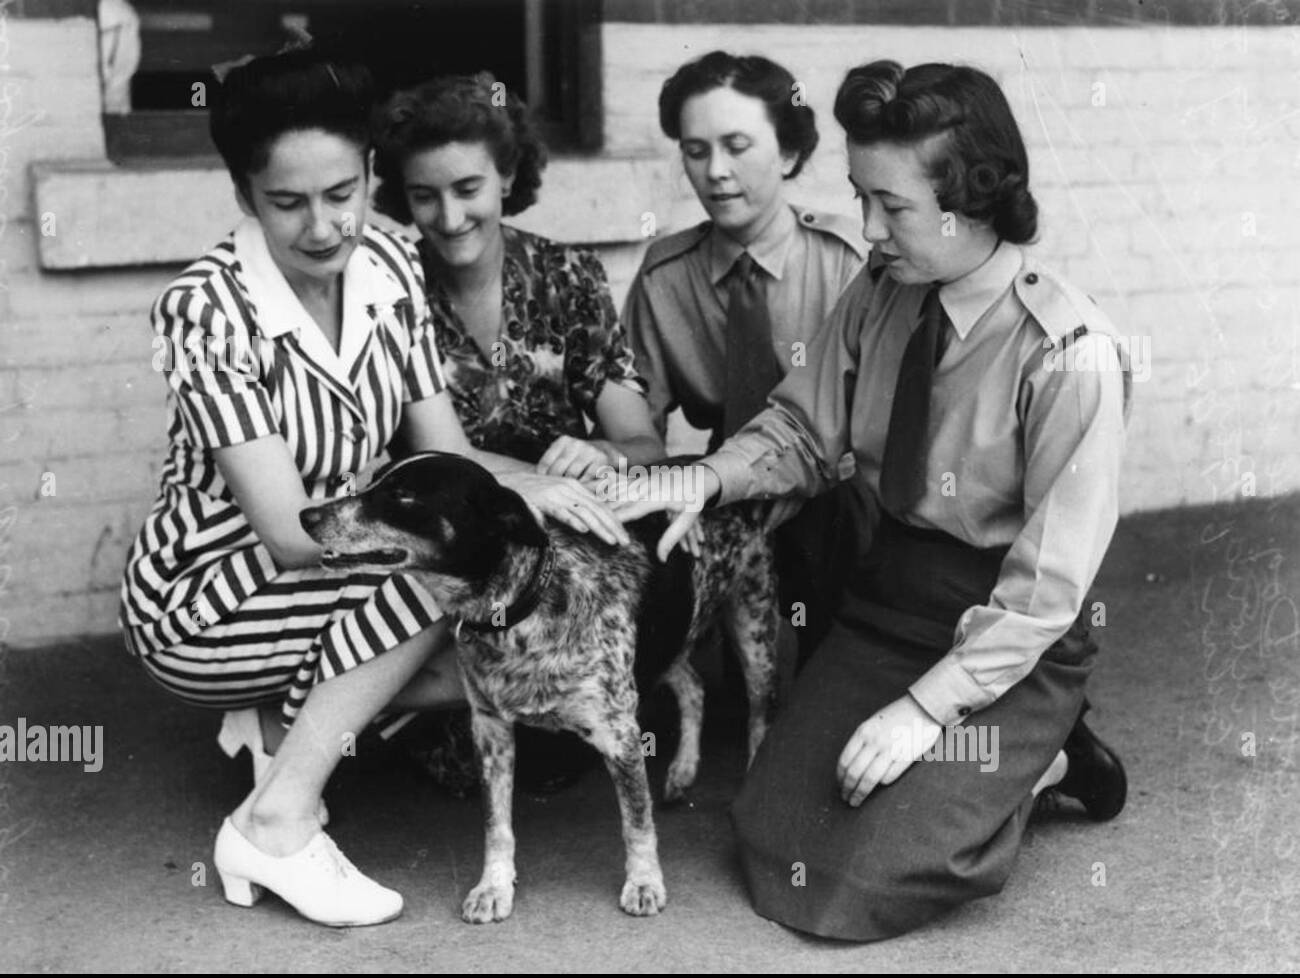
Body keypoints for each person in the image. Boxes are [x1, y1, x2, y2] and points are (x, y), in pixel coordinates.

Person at [618, 60, 1129, 941]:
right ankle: (1000, 762)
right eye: (860, 198)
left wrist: (923, 712)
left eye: (890, 206)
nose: (868, 228)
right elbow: (806, 431)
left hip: (1009, 627)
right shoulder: (880, 294)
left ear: (972, 197)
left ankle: (1042, 761)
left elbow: (1047, 584)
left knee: (874, 869)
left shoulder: (1069, 352)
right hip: (892, 602)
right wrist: (702, 477)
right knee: (774, 827)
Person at [118, 48, 629, 927]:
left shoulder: (390, 269)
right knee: (446, 583)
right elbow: (286, 530)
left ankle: (288, 730)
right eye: (287, 202)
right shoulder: (205, 307)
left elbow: (445, 450)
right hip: (208, 595)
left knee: (500, 612)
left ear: (367, 176)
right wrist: (481, 523)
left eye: (342, 193)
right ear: (245, 195)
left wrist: (540, 488)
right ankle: (275, 820)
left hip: (339, 566)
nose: (323, 226)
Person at [371, 73, 666, 793]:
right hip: (450, 564)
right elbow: (425, 458)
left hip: (555, 567)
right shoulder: (385, 289)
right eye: (423, 195)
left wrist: (599, 451)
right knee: (468, 762)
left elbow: (645, 445)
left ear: (508, 175)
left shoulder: (569, 276)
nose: (448, 215)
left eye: (468, 187)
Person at [622, 51, 869, 666]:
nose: (716, 171)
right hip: (724, 493)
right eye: (696, 150)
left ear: (787, 154)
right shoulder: (664, 276)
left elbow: (867, 429)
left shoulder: (849, 261)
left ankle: (834, 669)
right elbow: (637, 426)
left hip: (830, 495)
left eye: (737, 145)